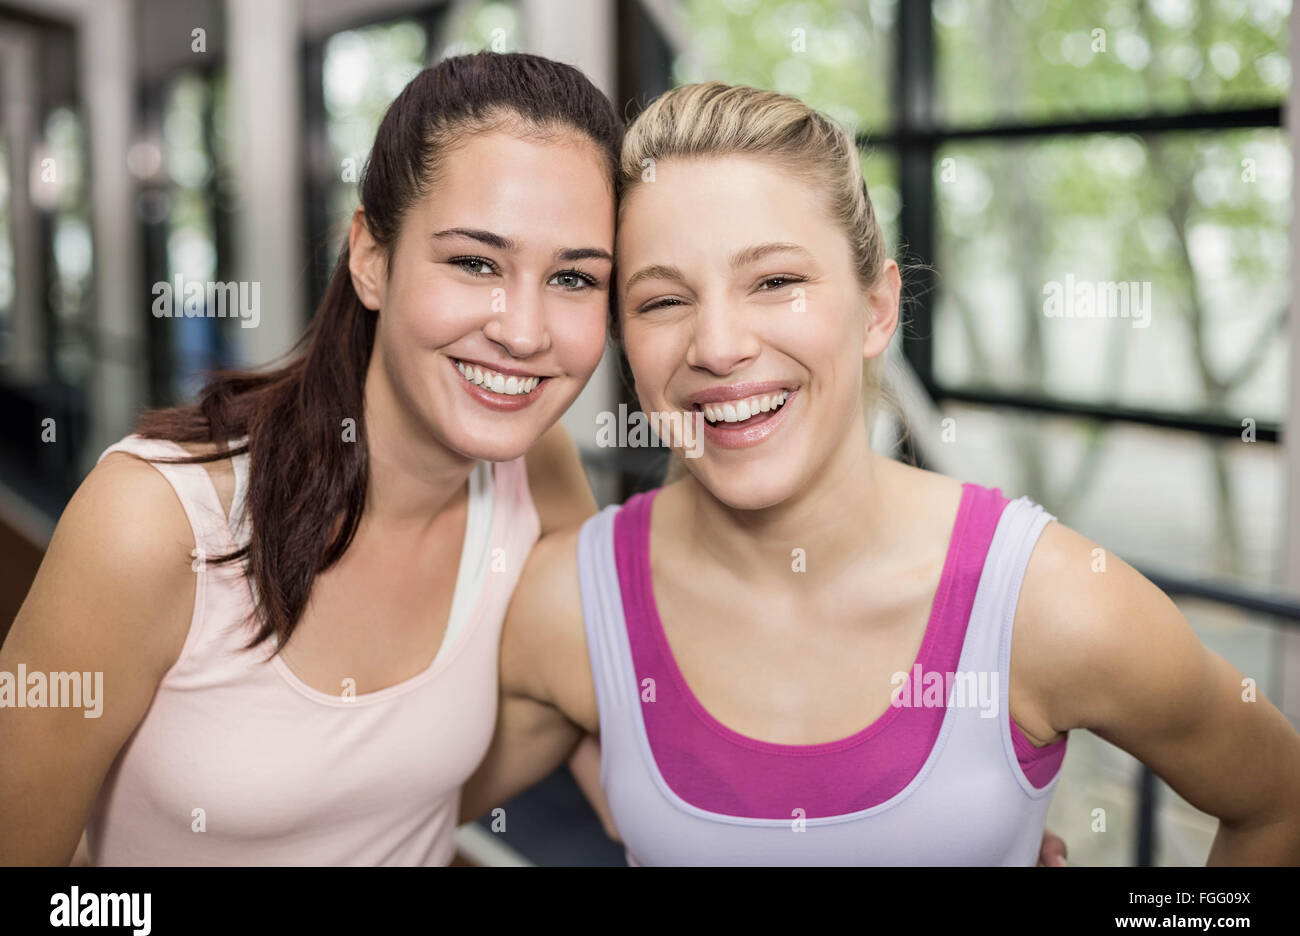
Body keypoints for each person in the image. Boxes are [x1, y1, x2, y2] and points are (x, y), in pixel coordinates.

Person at [462, 81, 1300, 865]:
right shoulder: (570, 603)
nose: (717, 346)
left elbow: (1279, 803)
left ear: (876, 310)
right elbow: (366, 814)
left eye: (777, 280)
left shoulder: (1046, 599)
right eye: (662, 301)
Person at [0, 52, 620, 865]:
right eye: (475, 262)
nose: (524, 329)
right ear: (369, 257)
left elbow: (618, 749)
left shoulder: (539, 476)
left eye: (574, 278)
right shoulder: (151, 520)